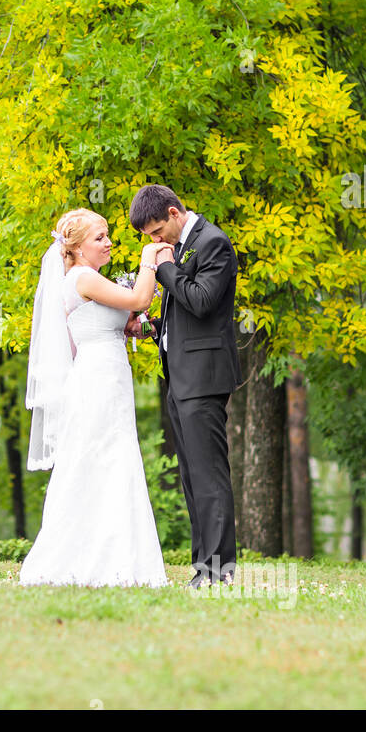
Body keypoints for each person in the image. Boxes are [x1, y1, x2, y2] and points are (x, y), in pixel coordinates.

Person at [19, 208, 172, 587]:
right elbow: (138, 297)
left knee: (111, 460)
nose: (108, 243)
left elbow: (114, 322)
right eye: (100, 238)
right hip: (97, 382)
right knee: (103, 458)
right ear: (77, 248)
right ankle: (87, 560)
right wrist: (149, 258)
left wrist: (132, 329)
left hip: (110, 377)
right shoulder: (82, 277)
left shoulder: (89, 279)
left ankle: (117, 559)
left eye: (107, 236)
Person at [128, 184, 241, 588]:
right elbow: (186, 315)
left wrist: (162, 268)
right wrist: (154, 328)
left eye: (157, 232)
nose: (155, 242)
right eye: (150, 238)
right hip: (181, 374)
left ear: (175, 213)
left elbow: (202, 301)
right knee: (192, 476)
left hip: (205, 375)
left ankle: (218, 570)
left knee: (209, 475)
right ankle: (202, 567)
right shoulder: (179, 246)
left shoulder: (213, 243)